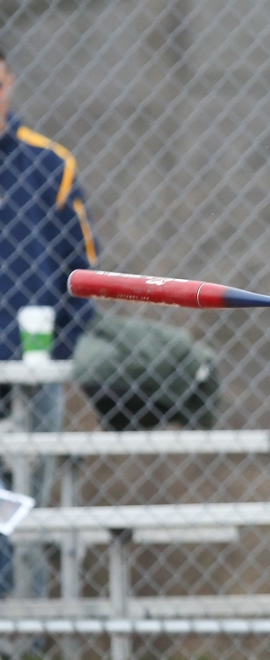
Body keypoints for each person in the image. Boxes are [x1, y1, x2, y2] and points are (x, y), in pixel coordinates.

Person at [0, 48, 99, 596]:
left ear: (10, 82)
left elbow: (83, 269)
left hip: (33, 362)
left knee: (27, 504)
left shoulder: (48, 164)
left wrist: (57, 352)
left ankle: (28, 631)